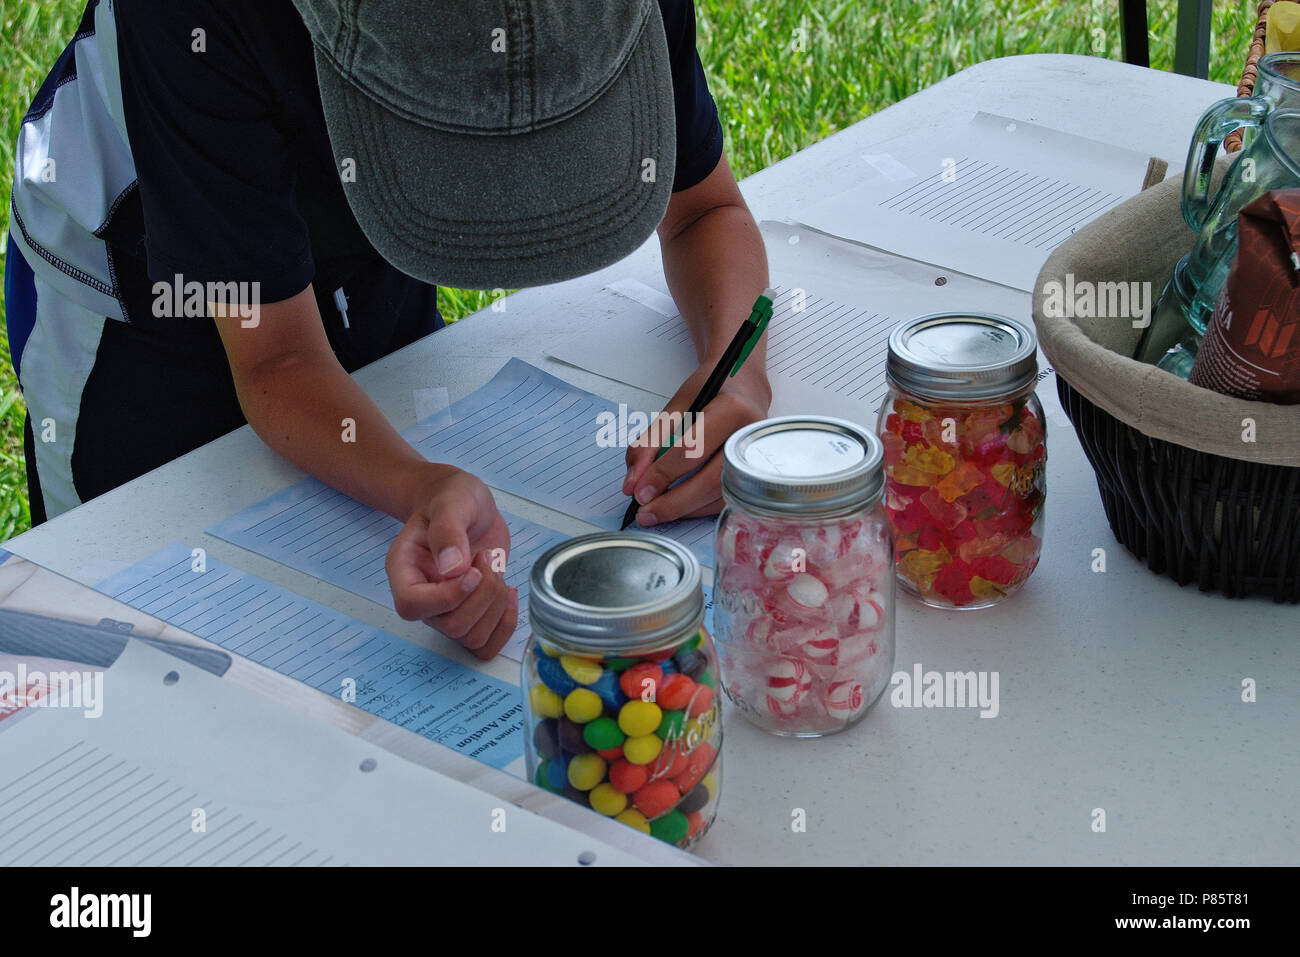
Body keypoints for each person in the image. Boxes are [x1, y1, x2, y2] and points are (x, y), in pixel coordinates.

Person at [5, 0, 771, 659]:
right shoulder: (195, 18)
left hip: (364, 253)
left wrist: (735, 370)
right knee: (137, 637)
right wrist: (416, 483)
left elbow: (706, 208)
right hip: (145, 297)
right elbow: (275, 355)